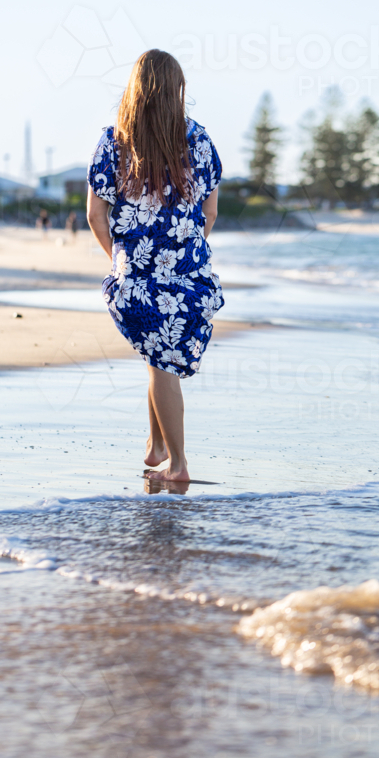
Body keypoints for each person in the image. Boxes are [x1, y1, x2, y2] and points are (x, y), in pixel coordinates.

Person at [87, 49, 223, 483]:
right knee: (159, 357)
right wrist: (186, 254)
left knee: (159, 360)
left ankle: (177, 464)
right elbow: (211, 213)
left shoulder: (114, 141)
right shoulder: (198, 140)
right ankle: (158, 445)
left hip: (137, 281)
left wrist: (122, 262)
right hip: (191, 277)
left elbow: (95, 216)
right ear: (176, 90)